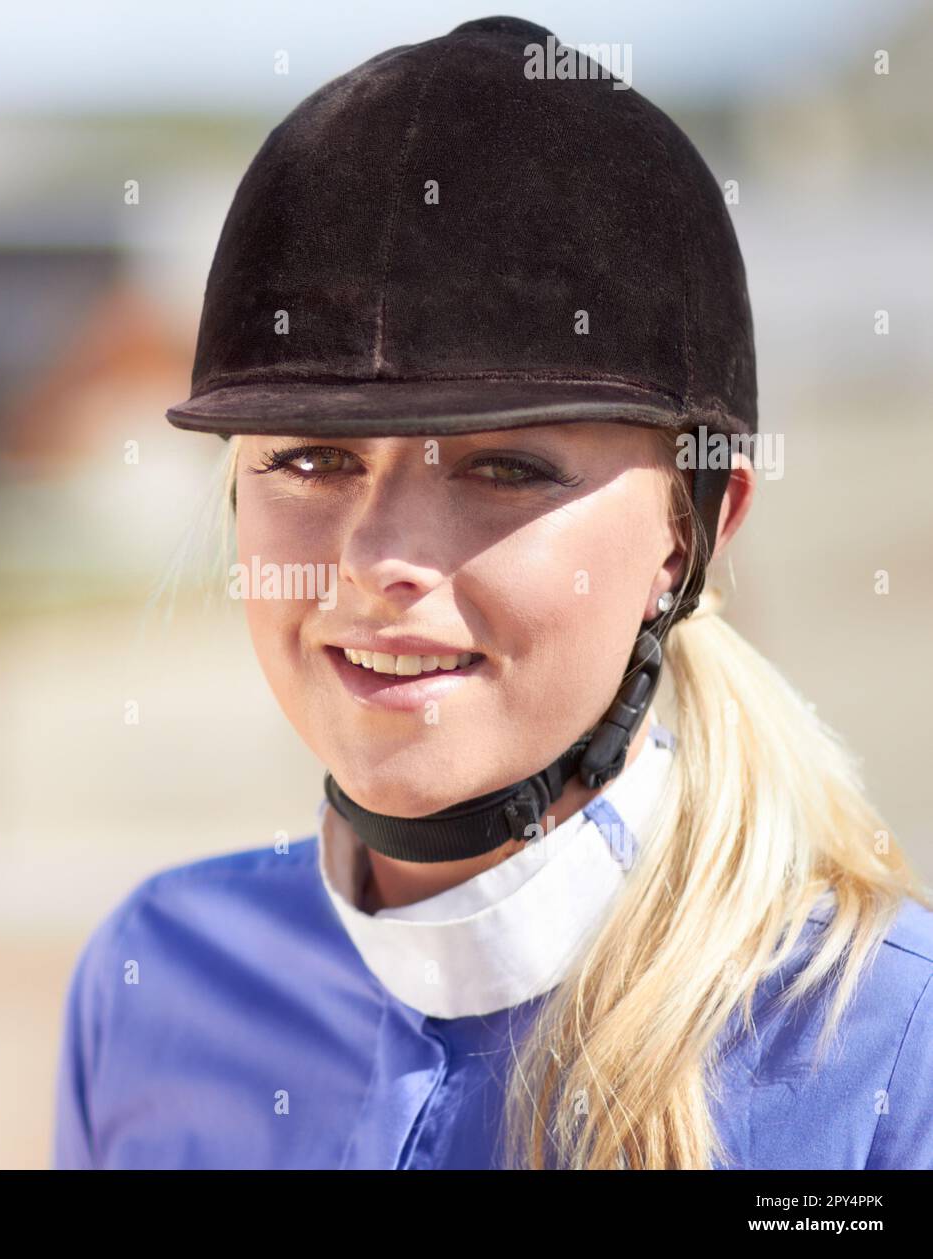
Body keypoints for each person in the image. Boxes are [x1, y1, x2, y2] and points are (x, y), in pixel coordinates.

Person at [53, 16, 933, 1170]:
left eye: (505, 468)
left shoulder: (880, 1046)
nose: (376, 560)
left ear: (694, 532)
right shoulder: (151, 981)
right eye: (311, 459)